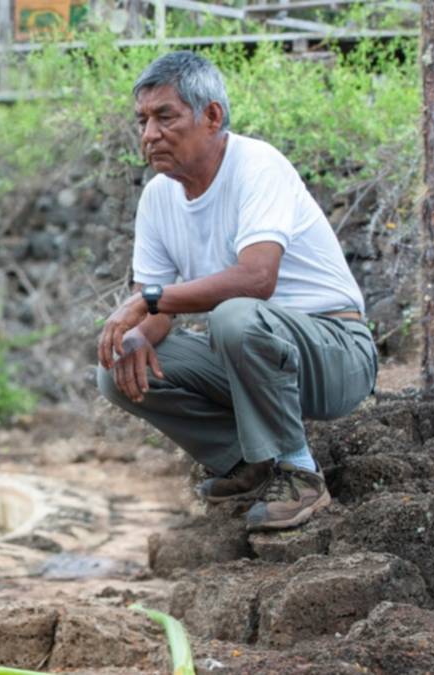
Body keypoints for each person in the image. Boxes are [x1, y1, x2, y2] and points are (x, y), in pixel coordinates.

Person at [95, 51, 378, 531]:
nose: (149, 135)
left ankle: (300, 473)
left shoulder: (257, 165)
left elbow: (256, 279)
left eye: (166, 117)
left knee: (235, 316)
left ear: (211, 116)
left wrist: (148, 302)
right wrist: (140, 333)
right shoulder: (158, 197)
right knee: (120, 365)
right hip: (254, 358)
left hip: (336, 354)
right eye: (142, 120)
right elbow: (157, 311)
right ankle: (247, 462)